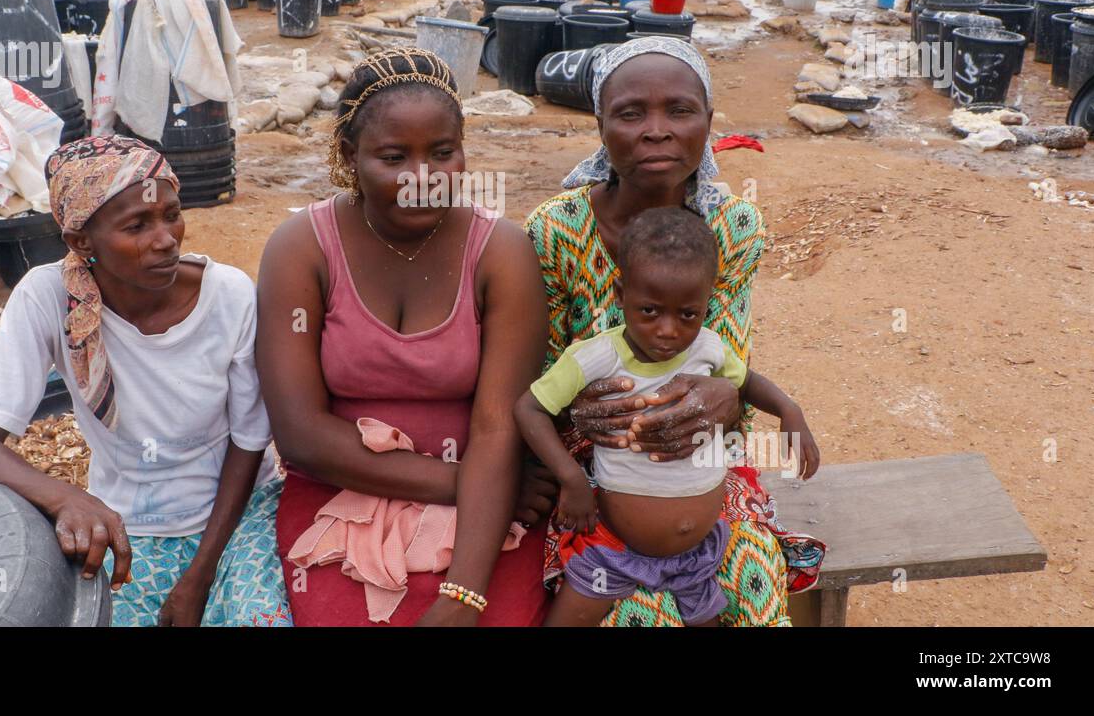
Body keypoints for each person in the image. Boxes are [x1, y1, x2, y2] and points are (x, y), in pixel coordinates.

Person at [524, 37, 827, 627]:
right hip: (590, 475)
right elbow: (535, 378)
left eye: (680, 111)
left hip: (703, 462)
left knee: (752, 585)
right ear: (601, 126)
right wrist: (583, 421)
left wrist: (728, 398)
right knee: (639, 613)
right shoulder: (556, 232)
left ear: (709, 124)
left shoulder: (733, 226)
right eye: (631, 112)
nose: (656, 130)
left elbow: (727, 374)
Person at [256, 48, 550, 627]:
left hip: (485, 513)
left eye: (443, 153)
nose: (423, 180)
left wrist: (464, 593)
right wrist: (472, 486)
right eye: (394, 157)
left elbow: (497, 426)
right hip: (342, 499)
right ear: (350, 156)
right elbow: (301, 435)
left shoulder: (501, 253)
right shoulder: (302, 248)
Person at [0, 136, 290, 627]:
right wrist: (70, 498)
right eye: (137, 226)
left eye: (171, 213)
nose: (167, 238)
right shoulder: (49, 298)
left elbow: (249, 441)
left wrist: (200, 574)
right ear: (81, 242)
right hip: (130, 523)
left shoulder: (230, 296)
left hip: (239, 513)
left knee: (259, 617)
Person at [517, 206, 819, 626]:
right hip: (615, 550)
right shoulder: (597, 358)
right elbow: (529, 408)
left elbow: (748, 382)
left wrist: (790, 410)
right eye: (650, 311)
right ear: (621, 296)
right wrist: (571, 478)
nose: (668, 331)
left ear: (705, 305)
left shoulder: (708, 350)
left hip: (697, 556)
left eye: (687, 314)